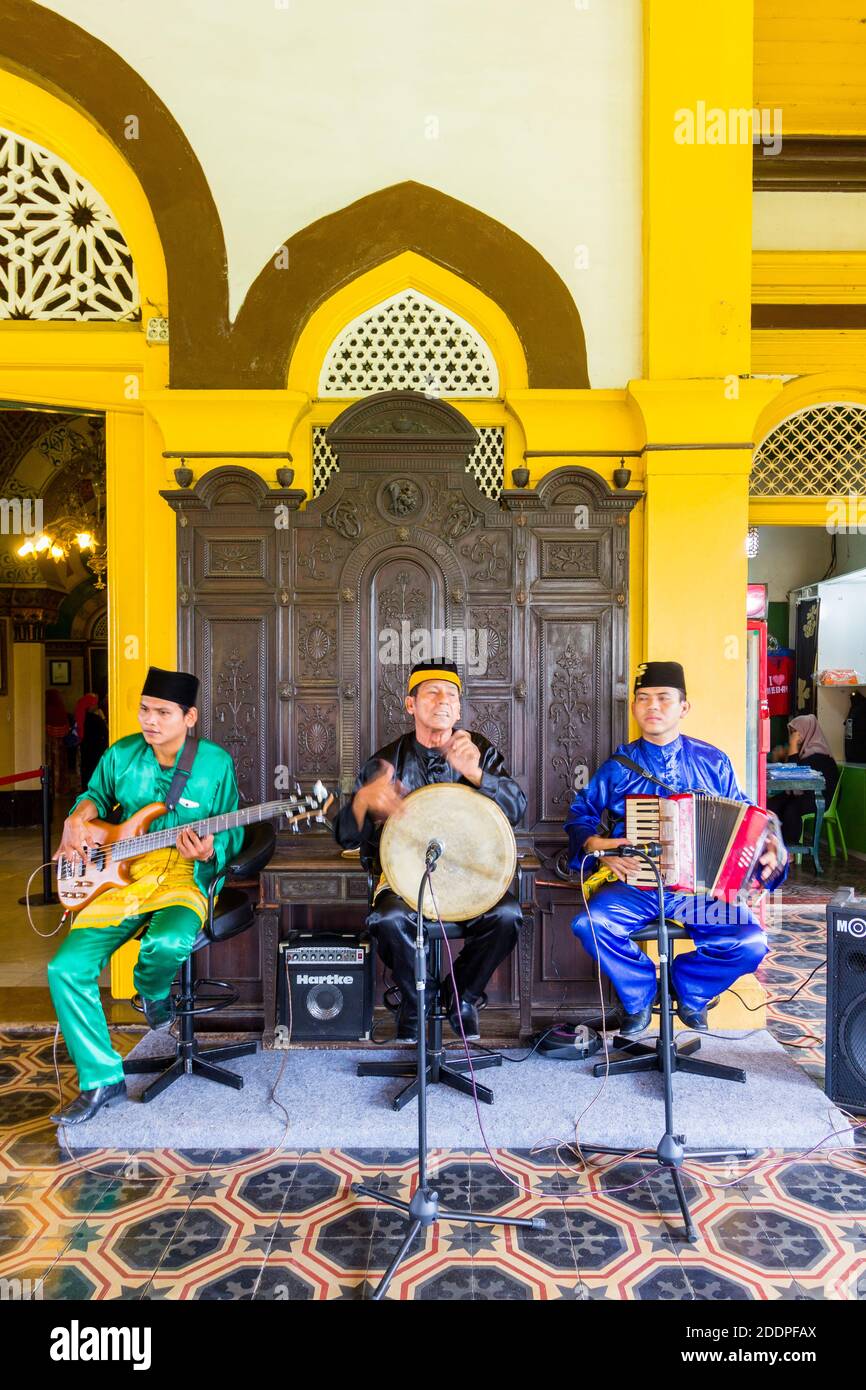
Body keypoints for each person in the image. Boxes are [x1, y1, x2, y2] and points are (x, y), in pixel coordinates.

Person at [47, 667, 243, 1125]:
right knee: (65, 968)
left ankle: (152, 993)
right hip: (120, 875)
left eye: (161, 712)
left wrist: (213, 847)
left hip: (183, 873)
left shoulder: (215, 763)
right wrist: (79, 816)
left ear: (189, 717)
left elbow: (234, 825)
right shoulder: (121, 754)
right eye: (144, 709)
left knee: (168, 943)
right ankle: (101, 1078)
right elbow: (94, 795)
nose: (148, 720)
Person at [565, 660, 787, 1035]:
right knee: (591, 923)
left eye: (664, 698)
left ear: (684, 707)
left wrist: (770, 844)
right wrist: (600, 847)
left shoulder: (713, 762)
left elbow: (752, 821)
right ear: (634, 707)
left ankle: (689, 988)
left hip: (698, 894)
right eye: (643, 698)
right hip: (637, 887)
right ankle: (638, 995)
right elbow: (579, 815)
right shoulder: (619, 767)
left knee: (750, 942)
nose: (652, 706)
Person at [333, 661, 526, 1042]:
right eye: (432, 693)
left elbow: (517, 810)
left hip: (472, 877)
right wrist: (362, 803)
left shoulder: (479, 751)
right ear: (410, 705)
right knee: (386, 920)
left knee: (507, 915)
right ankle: (416, 1000)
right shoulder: (387, 761)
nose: (443, 701)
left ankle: (463, 997)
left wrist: (476, 775)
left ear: (458, 709)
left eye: (451, 695)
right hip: (404, 881)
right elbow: (345, 838)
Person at [767, 713, 840, 847]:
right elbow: (792, 774)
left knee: (791, 809)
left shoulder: (818, 754)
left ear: (807, 732)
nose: (794, 737)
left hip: (821, 798)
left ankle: (790, 848)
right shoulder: (804, 753)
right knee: (771, 804)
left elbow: (794, 773)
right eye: (792, 733)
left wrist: (793, 744)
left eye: (796, 732)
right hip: (805, 794)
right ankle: (772, 845)